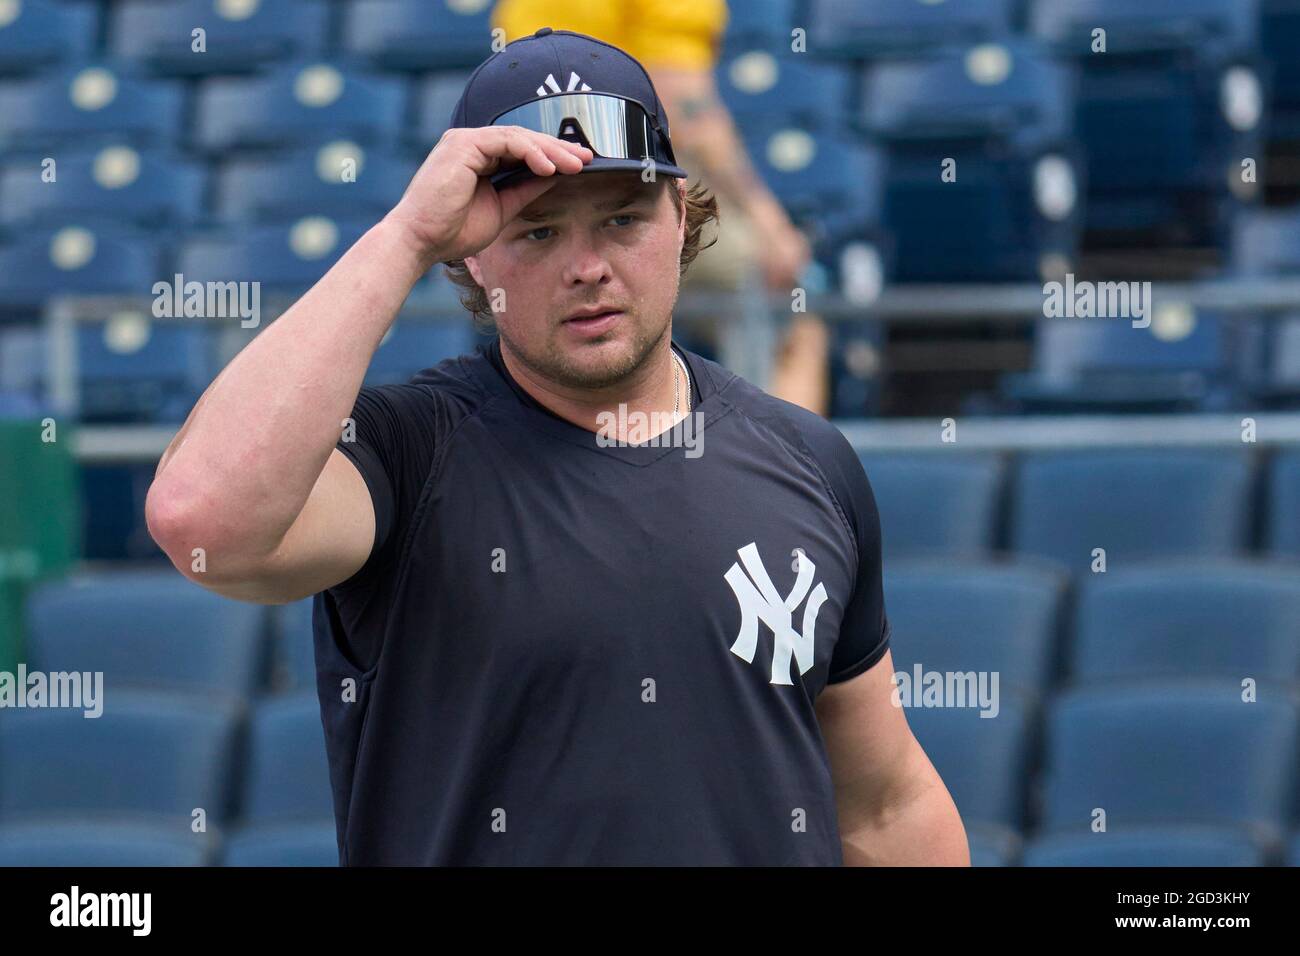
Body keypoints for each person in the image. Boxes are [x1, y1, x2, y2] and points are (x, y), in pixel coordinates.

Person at [145, 28, 966, 866]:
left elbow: (884, 804)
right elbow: (204, 518)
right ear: (471, 258)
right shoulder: (408, 454)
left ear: (681, 219)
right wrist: (405, 235)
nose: (588, 267)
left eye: (622, 218)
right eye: (538, 232)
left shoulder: (808, 460)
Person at [494, 0, 832, 415]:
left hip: (527, 188)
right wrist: (771, 225)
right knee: (790, 298)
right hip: (624, 181)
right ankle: (771, 462)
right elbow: (689, 110)